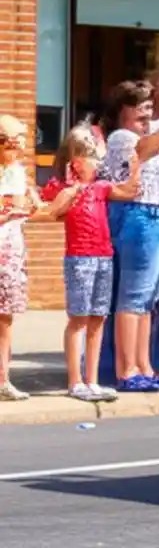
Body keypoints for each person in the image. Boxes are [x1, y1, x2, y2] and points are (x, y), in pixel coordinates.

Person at [98, 80, 159, 392]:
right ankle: (126, 370)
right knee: (133, 296)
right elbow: (144, 150)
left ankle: (144, 366)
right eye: (141, 106)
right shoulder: (122, 138)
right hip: (139, 216)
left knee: (149, 300)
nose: (147, 112)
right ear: (122, 110)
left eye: (150, 106)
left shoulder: (151, 140)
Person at [47, 124, 140, 402]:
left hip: (103, 256)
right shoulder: (65, 189)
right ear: (77, 161)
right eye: (93, 159)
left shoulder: (100, 188)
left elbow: (131, 191)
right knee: (79, 318)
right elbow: (52, 210)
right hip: (80, 258)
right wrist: (70, 188)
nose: (98, 165)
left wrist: (136, 164)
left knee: (98, 317)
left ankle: (92, 380)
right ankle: (75, 381)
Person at [0, 114, 43, 401]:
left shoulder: (17, 172)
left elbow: (35, 205)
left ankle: (3, 378)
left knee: (6, 316)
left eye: (19, 143)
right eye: (11, 143)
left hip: (12, 248)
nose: (17, 149)